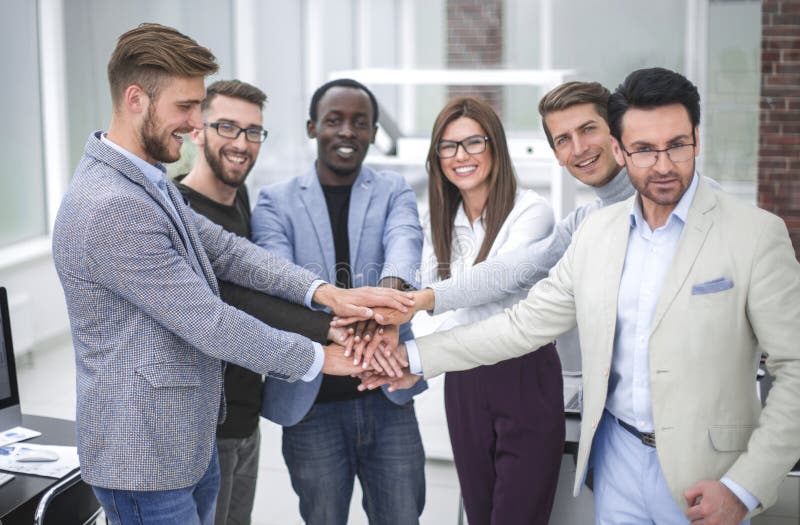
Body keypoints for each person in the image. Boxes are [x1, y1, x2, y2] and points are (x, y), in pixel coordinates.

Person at [365, 68, 800, 524]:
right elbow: (521, 319)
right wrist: (412, 353)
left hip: (708, 479)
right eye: (644, 149)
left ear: (695, 138)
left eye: (677, 145)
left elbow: (793, 370)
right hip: (615, 466)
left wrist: (744, 487)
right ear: (621, 147)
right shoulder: (592, 230)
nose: (664, 164)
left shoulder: (753, 234)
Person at [51, 25, 412, 524]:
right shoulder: (112, 205)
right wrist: (322, 358)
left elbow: (228, 251)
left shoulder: (145, 181)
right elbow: (210, 323)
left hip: (186, 444)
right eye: (186, 106)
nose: (194, 123)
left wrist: (326, 293)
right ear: (136, 99)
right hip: (146, 462)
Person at [250, 78, 426, 525]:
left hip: (388, 395)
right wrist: (349, 315)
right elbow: (280, 280)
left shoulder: (393, 189)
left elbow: (405, 242)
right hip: (311, 406)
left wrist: (384, 306)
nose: (347, 131)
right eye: (335, 120)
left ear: (371, 132)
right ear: (313, 128)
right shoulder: (274, 202)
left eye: (360, 122)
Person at [176, 79, 349, 525]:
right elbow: (233, 302)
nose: (242, 144)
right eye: (227, 128)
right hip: (203, 432)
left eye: (253, 132)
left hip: (245, 420)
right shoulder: (177, 210)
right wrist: (330, 327)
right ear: (197, 130)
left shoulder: (242, 200)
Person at [334, 81, 634, 325]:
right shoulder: (584, 222)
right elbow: (501, 272)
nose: (579, 148)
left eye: (588, 129)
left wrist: (419, 314)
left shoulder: (535, 212)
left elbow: (501, 288)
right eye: (563, 139)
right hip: (452, 374)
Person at [420, 96, 560, 524]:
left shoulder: (532, 212)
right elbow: (432, 290)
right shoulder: (438, 219)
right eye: (449, 146)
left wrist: (427, 298)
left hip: (522, 373)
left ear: (495, 147)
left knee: (516, 516)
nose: (461, 156)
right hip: (464, 376)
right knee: (480, 514)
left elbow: (497, 280)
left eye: (473, 143)